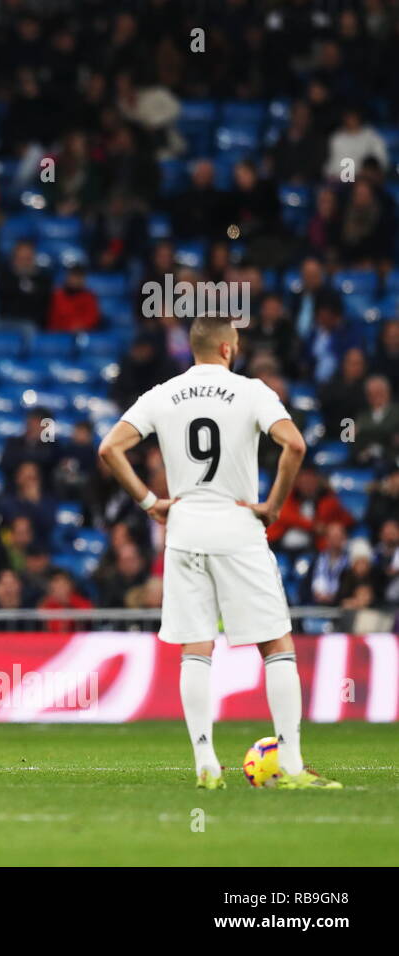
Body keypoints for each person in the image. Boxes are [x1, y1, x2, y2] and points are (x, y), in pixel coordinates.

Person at [98, 314, 341, 789]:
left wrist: (149, 502)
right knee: (275, 643)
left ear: (195, 348)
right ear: (228, 349)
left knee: (196, 647)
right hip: (237, 527)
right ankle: (291, 766)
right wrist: (274, 506)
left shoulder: (163, 393)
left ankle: (206, 763)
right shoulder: (251, 391)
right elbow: (294, 444)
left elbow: (109, 449)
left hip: (184, 528)